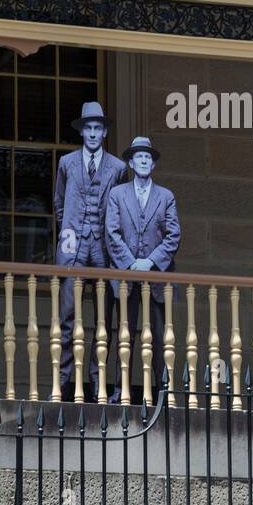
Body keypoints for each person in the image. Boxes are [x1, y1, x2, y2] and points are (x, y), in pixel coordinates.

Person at [54, 101, 126, 402]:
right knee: (68, 315)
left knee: (102, 321)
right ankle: (62, 382)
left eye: (98, 128)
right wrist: (69, 230)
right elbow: (58, 203)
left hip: (103, 248)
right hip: (73, 245)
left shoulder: (118, 168)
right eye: (89, 128)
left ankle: (99, 386)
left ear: (105, 131)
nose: (94, 133)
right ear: (82, 131)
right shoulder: (67, 163)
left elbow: (120, 207)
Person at [105, 137, 180, 398]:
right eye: (139, 156)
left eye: (148, 157)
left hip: (157, 278)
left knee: (160, 339)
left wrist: (149, 262)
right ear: (130, 162)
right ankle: (120, 389)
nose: (144, 160)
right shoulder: (117, 194)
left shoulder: (166, 196)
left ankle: (163, 392)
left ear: (154, 164)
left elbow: (173, 236)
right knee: (126, 336)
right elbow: (112, 233)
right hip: (126, 277)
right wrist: (131, 264)